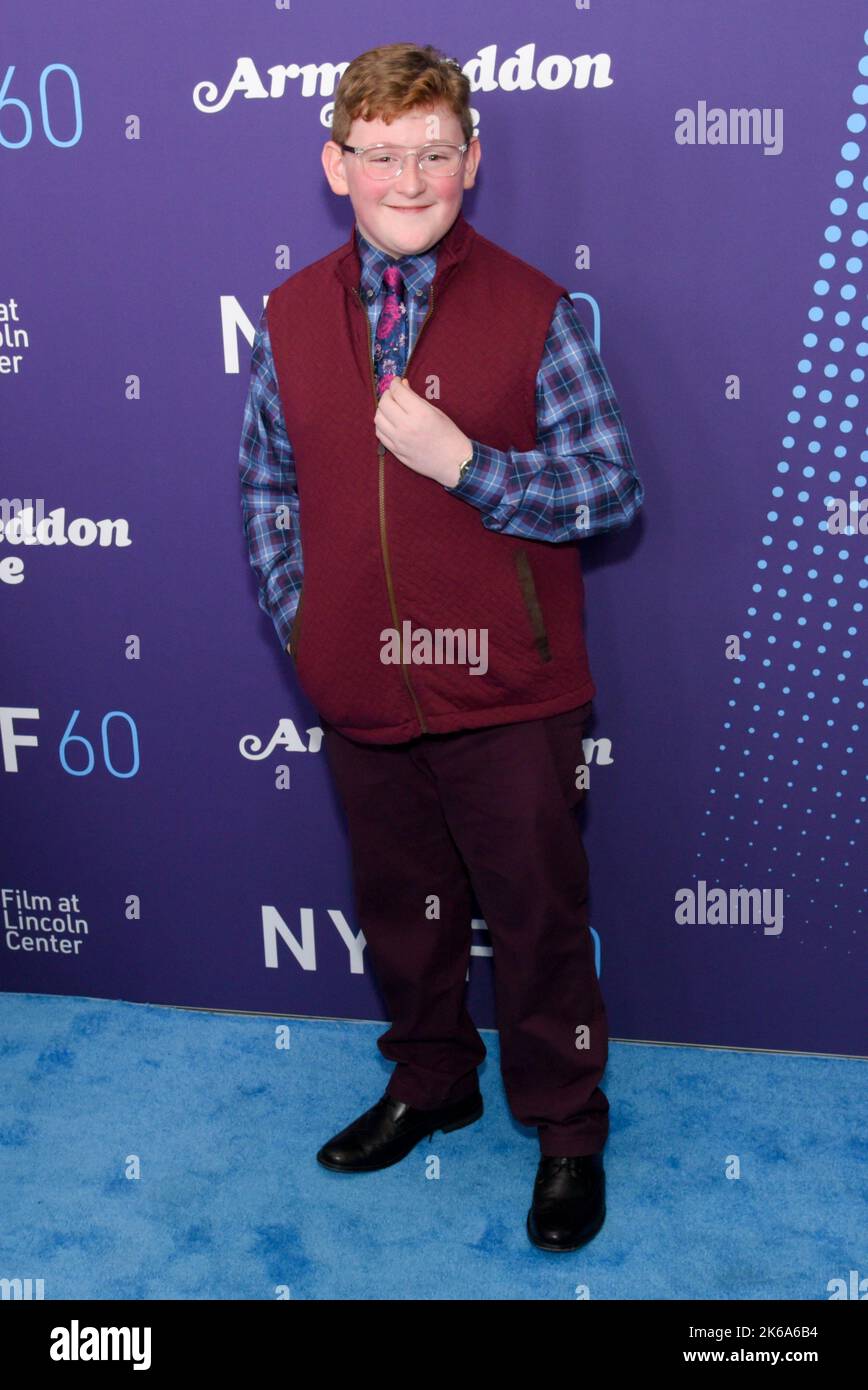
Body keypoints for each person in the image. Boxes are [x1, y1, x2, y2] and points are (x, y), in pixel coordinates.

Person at [239, 41, 643, 1252]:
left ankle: (567, 1127)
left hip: (509, 690)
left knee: (536, 921)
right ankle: (431, 1080)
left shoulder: (537, 310)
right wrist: (306, 619)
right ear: (335, 164)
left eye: (432, 154)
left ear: (471, 160)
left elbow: (610, 488)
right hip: (361, 683)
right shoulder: (291, 311)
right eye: (379, 155)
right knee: (403, 913)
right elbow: (269, 481)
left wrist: (464, 465)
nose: (405, 180)